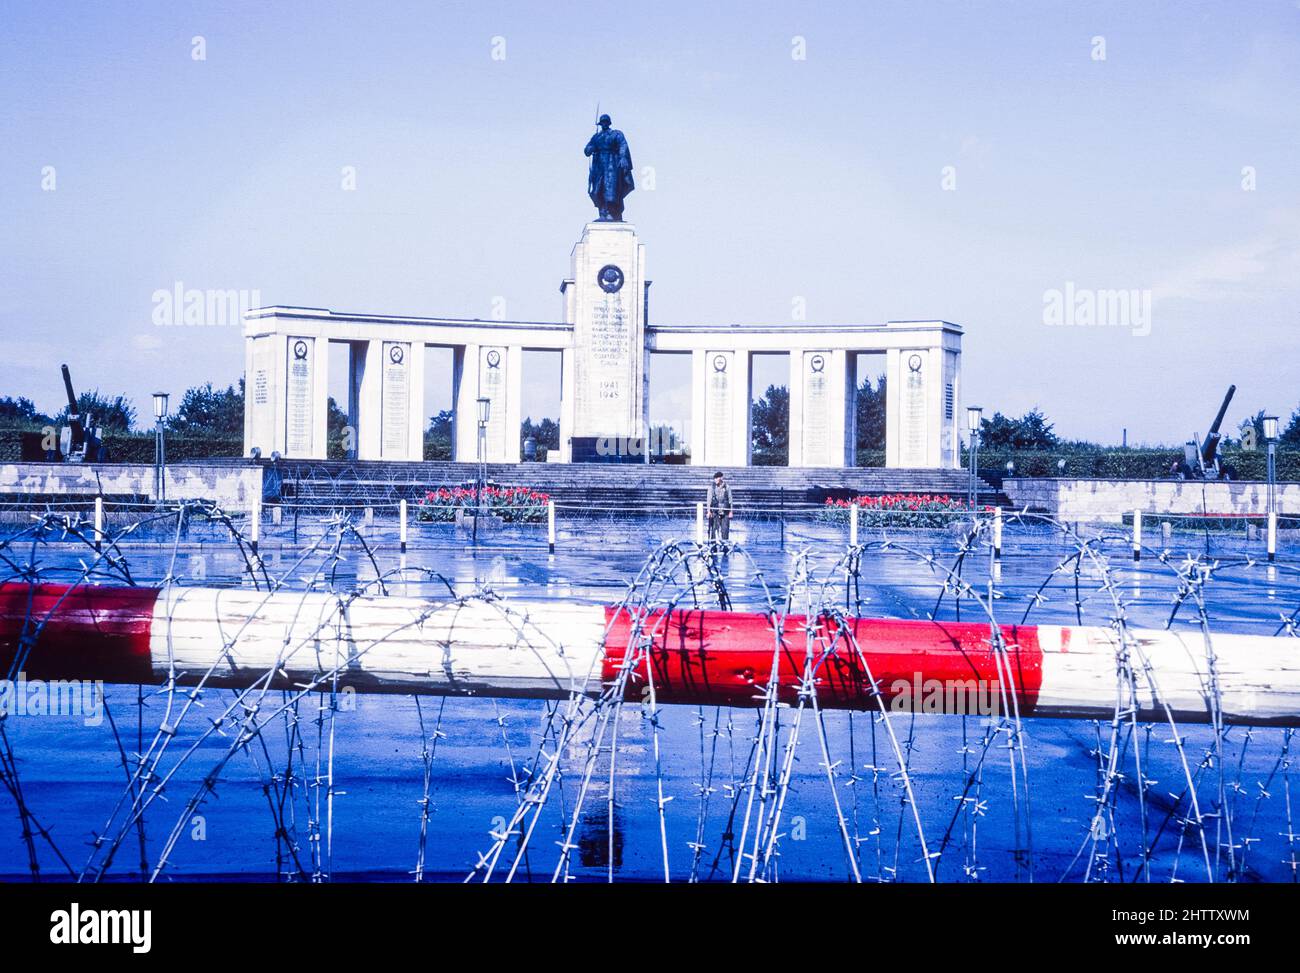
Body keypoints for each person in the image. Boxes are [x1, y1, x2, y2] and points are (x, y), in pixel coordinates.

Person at [705, 471, 733, 545]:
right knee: (713, 530)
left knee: (725, 530)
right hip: (715, 512)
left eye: (717, 478)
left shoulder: (727, 487)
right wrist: (708, 511)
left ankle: (725, 547)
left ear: (721, 478)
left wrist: (731, 512)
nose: (716, 480)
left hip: (725, 511)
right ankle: (713, 546)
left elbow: (730, 500)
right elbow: (709, 500)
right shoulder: (711, 487)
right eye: (715, 478)